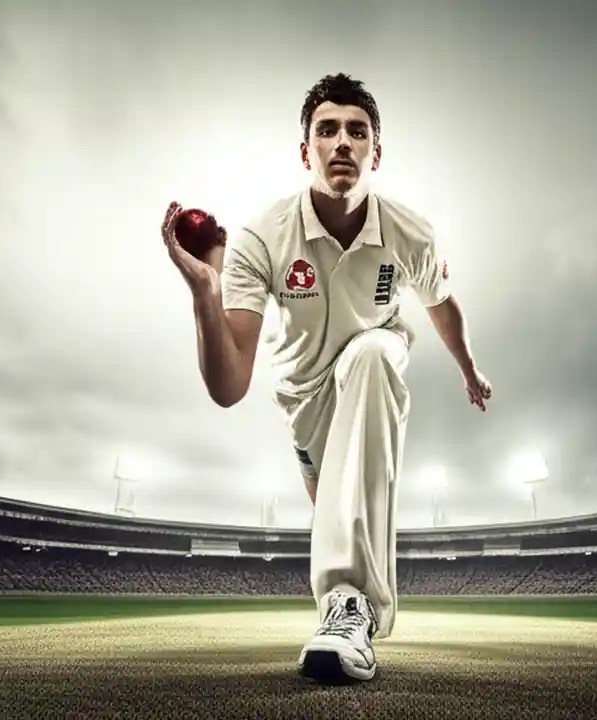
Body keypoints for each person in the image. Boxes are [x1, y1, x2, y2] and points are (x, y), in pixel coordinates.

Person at [160, 73, 492, 683]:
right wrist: (205, 295)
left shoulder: (410, 232)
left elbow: (443, 305)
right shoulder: (263, 236)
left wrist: (469, 370)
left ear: (376, 151)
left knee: (371, 352)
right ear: (305, 150)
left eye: (357, 132)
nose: (342, 142)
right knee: (328, 494)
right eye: (327, 130)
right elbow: (229, 386)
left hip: (373, 365)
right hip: (307, 404)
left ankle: (348, 605)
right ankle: (337, 538)